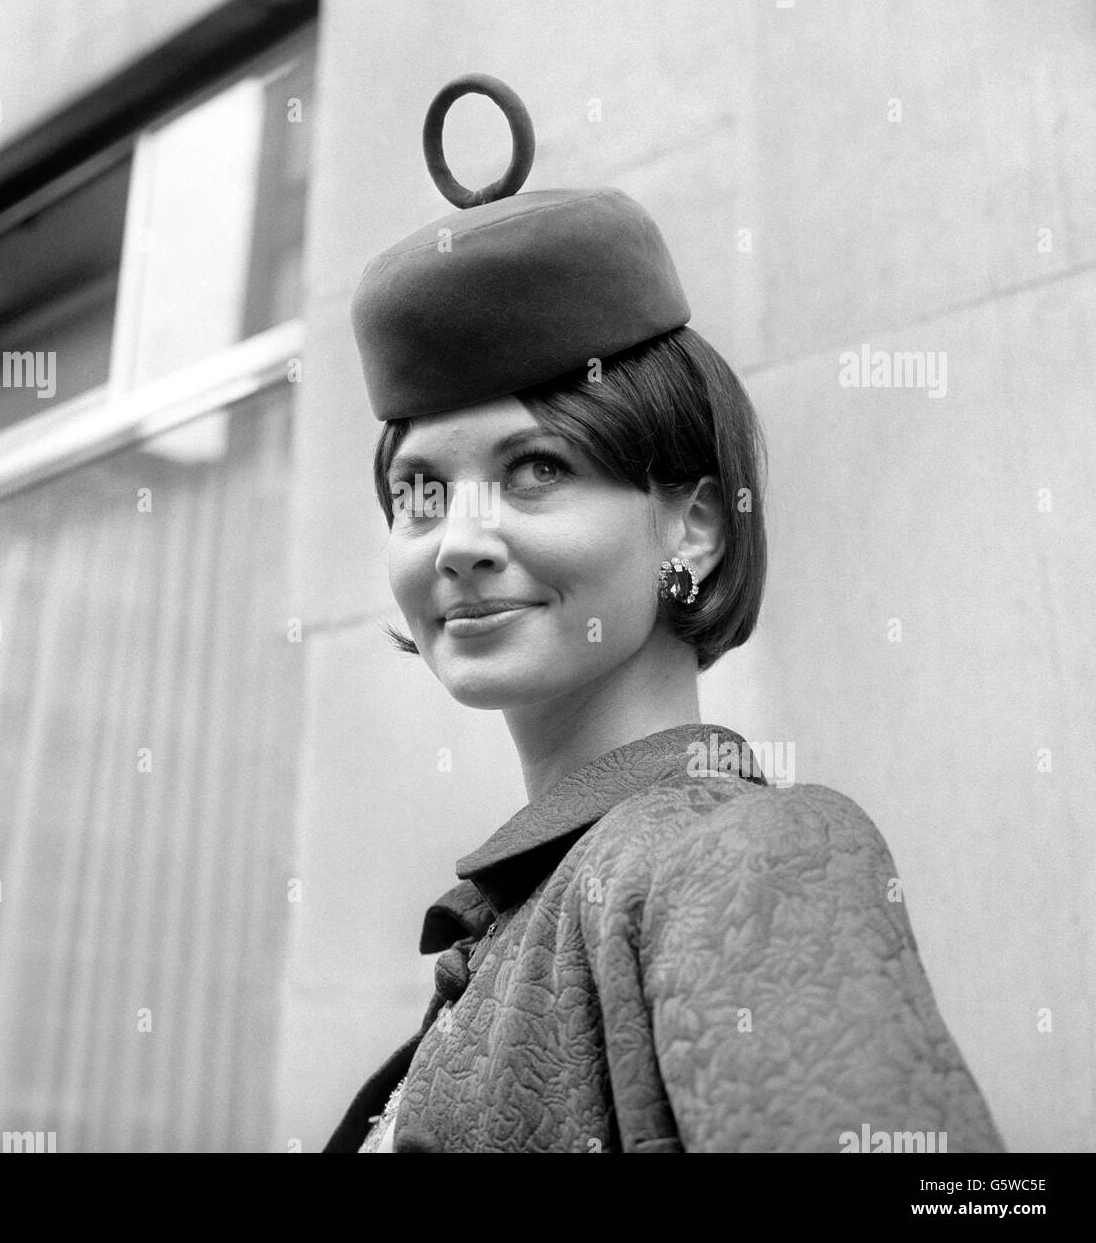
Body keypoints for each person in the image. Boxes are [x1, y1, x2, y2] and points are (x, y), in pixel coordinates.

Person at [323, 76, 1004, 1153]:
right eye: (420, 490)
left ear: (692, 525)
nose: (457, 538)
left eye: (538, 466)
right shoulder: (537, 902)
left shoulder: (740, 859)